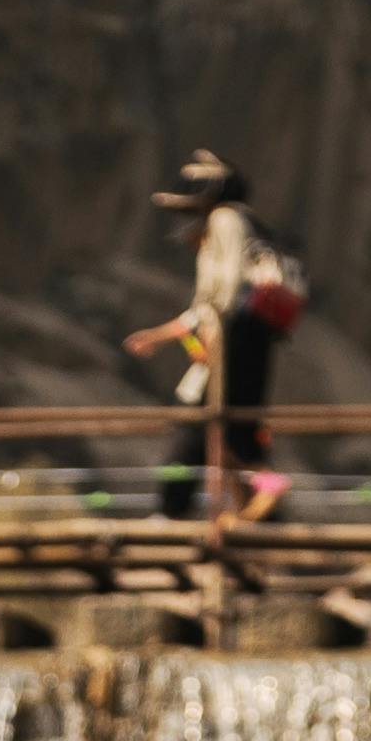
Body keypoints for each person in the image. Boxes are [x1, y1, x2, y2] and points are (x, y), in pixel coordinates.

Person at [125, 146, 292, 526]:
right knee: (233, 431)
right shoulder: (242, 222)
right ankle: (266, 510)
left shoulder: (225, 219)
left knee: (195, 426)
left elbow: (226, 292)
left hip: (234, 339)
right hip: (245, 339)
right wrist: (163, 335)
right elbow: (205, 306)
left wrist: (213, 342)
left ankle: (173, 510)